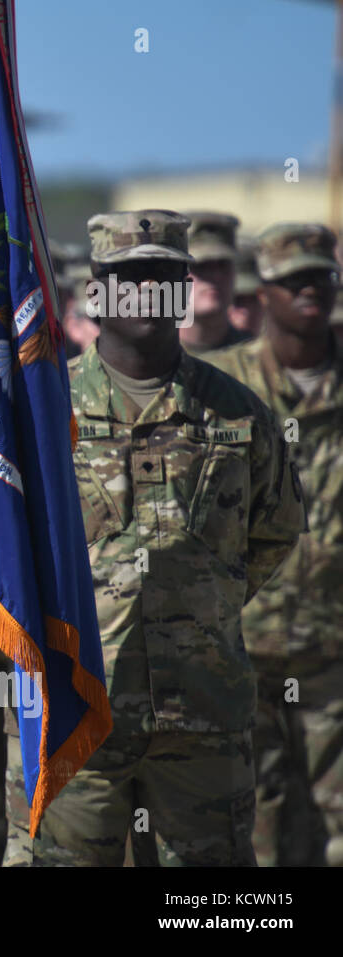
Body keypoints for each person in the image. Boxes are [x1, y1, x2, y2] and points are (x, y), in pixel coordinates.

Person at [0, 210, 305, 865]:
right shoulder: (39, 416)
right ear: (94, 293)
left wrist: (197, 607)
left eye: (164, 274)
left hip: (201, 725)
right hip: (70, 718)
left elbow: (272, 533)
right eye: (127, 276)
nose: (147, 291)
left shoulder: (239, 413)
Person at [207, 223, 343, 866]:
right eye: (294, 281)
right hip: (242, 644)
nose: (310, 290)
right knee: (249, 823)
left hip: (335, 648)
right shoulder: (220, 388)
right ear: (264, 292)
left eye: (320, 277)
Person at [179, 211, 246, 354]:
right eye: (200, 266)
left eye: (223, 265)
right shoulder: (152, 359)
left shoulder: (259, 359)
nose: (215, 275)